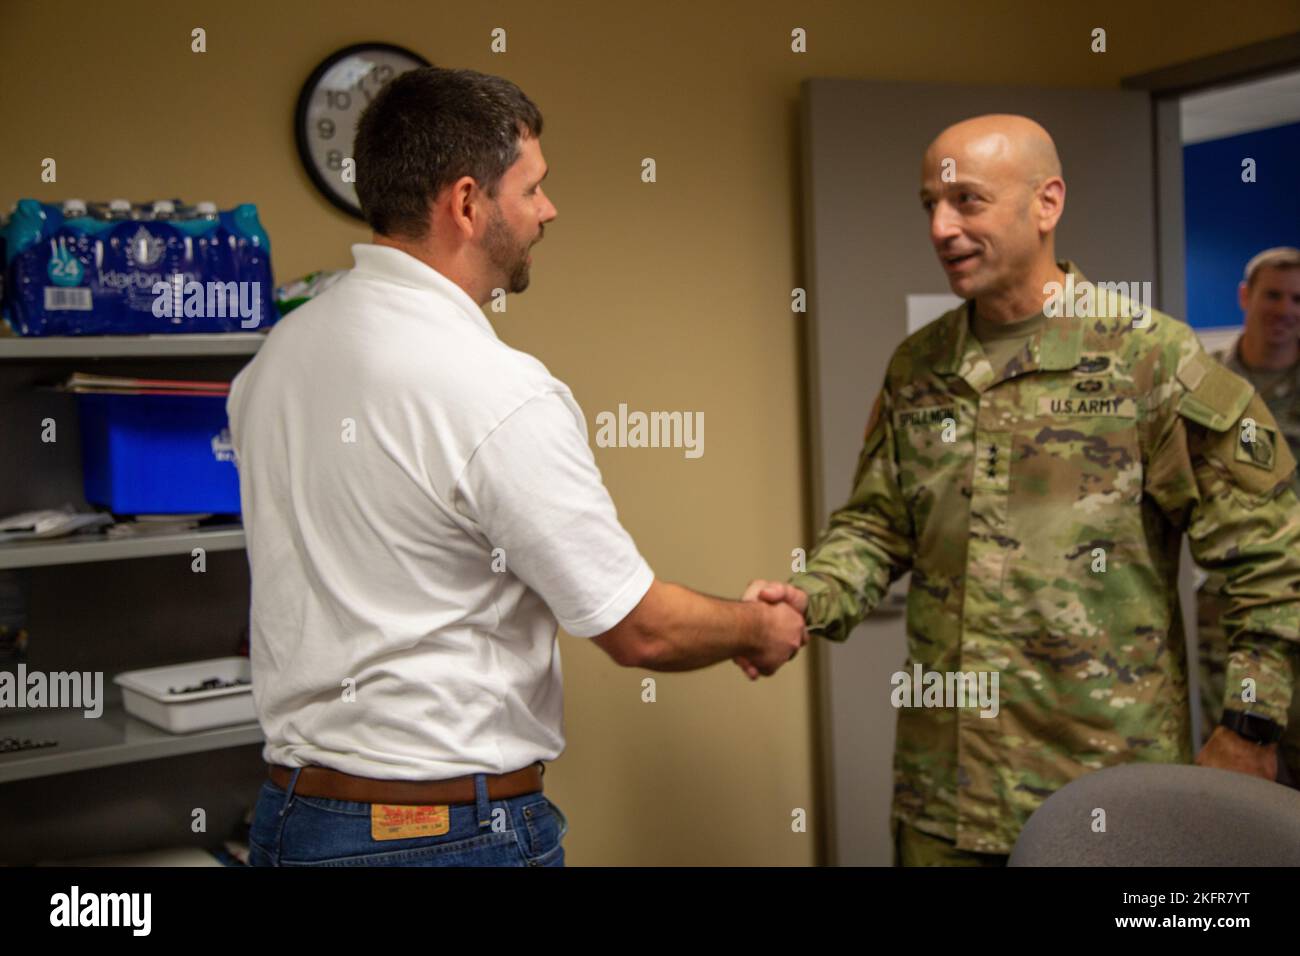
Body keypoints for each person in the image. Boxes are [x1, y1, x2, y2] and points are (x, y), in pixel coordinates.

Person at [229, 67, 806, 868]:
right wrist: (763, 626)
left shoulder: (276, 359)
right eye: (532, 188)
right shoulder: (493, 387)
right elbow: (637, 629)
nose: (548, 210)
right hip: (441, 840)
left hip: (294, 824)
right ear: (467, 203)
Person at [742, 115, 1300, 866]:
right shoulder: (920, 366)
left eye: (966, 202)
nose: (942, 228)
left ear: (1047, 203)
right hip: (943, 799)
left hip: (1107, 802)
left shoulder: (1153, 360)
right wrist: (808, 599)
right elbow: (877, 528)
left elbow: (1273, 557)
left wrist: (1250, 728)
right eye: (929, 206)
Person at [1197, 247, 1300, 788]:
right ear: (1245, 297)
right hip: (1234, 611)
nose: (1286, 309)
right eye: (1274, 295)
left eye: (1298, 298)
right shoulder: (1211, 386)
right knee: (1240, 777)